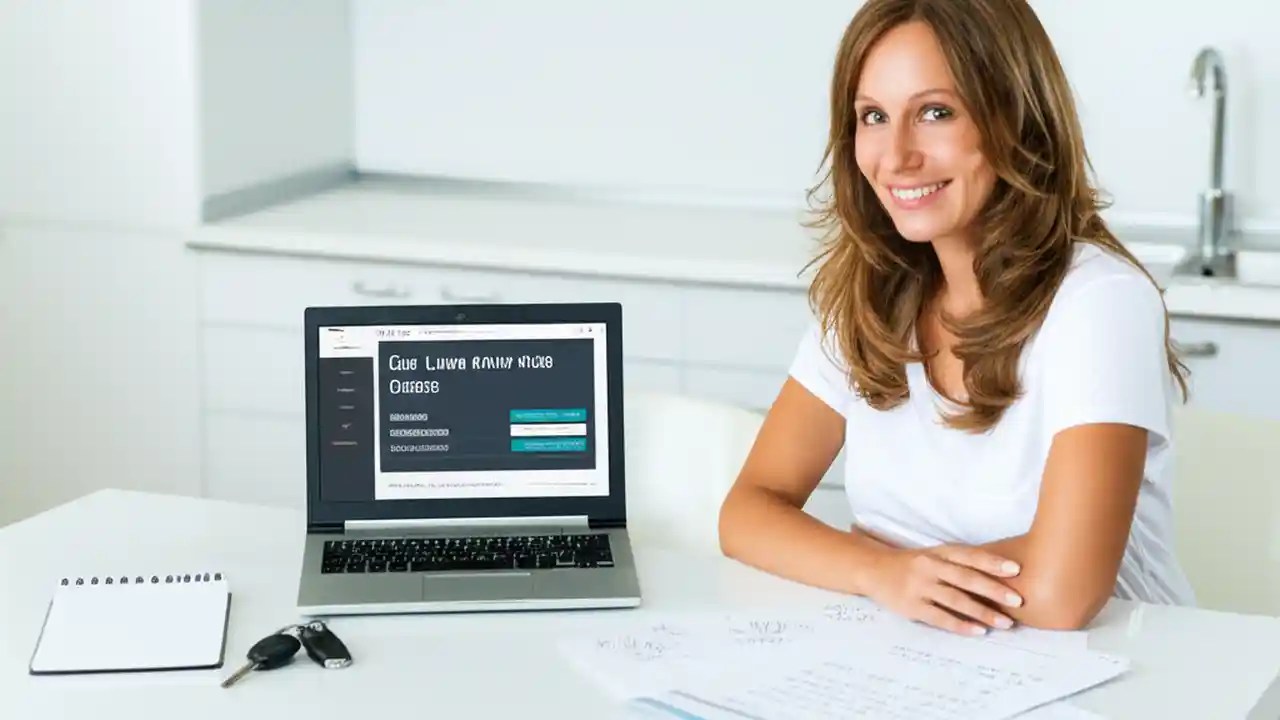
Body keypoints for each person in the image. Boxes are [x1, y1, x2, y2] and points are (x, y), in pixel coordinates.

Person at [717, 0, 1197, 635]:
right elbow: (747, 513)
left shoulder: (1099, 299)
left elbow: (1064, 591)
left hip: (1124, 664)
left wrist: (886, 565)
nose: (896, 156)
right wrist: (880, 572)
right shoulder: (870, 296)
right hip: (928, 657)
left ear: (1016, 118)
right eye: (874, 117)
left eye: (935, 113)